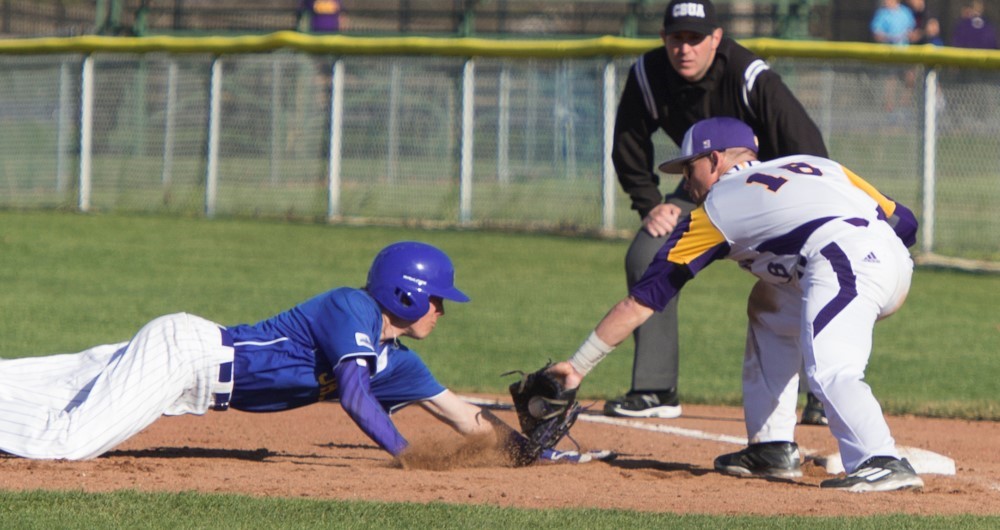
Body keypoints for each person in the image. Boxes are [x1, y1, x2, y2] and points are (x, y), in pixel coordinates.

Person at [549, 117, 923, 492]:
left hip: (844, 262)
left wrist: (578, 366)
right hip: (881, 258)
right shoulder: (817, 166)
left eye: (689, 168)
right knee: (768, 306)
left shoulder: (715, 208)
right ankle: (771, 448)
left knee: (830, 368)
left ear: (713, 160)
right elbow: (905, 222)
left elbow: (642, 300)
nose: (686, 181)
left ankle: (880, 459)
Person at [0, 242, 597, 465]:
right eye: (438, 300)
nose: (443, 310)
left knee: (44, 384)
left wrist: (524, 453)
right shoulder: (349, 309)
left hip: (186, 371)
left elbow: (461, 414)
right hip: (185, 354)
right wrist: (406, 453)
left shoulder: (398, 362)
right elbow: (356, 397)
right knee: (70, 441)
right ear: (406, 293)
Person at [607, 0, 830, 425]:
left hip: (774, 189)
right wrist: (649, 204)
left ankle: (821, 392)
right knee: (645, 253)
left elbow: (806, 141)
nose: (685, 49)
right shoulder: (649, 74)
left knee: (807, 273)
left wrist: (809, 206)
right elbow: (628, 143)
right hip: (703, 185)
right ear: (663, 40)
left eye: (695, 38)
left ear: (716, 39)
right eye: (677, 38)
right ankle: (655, 388)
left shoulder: (748, 74)